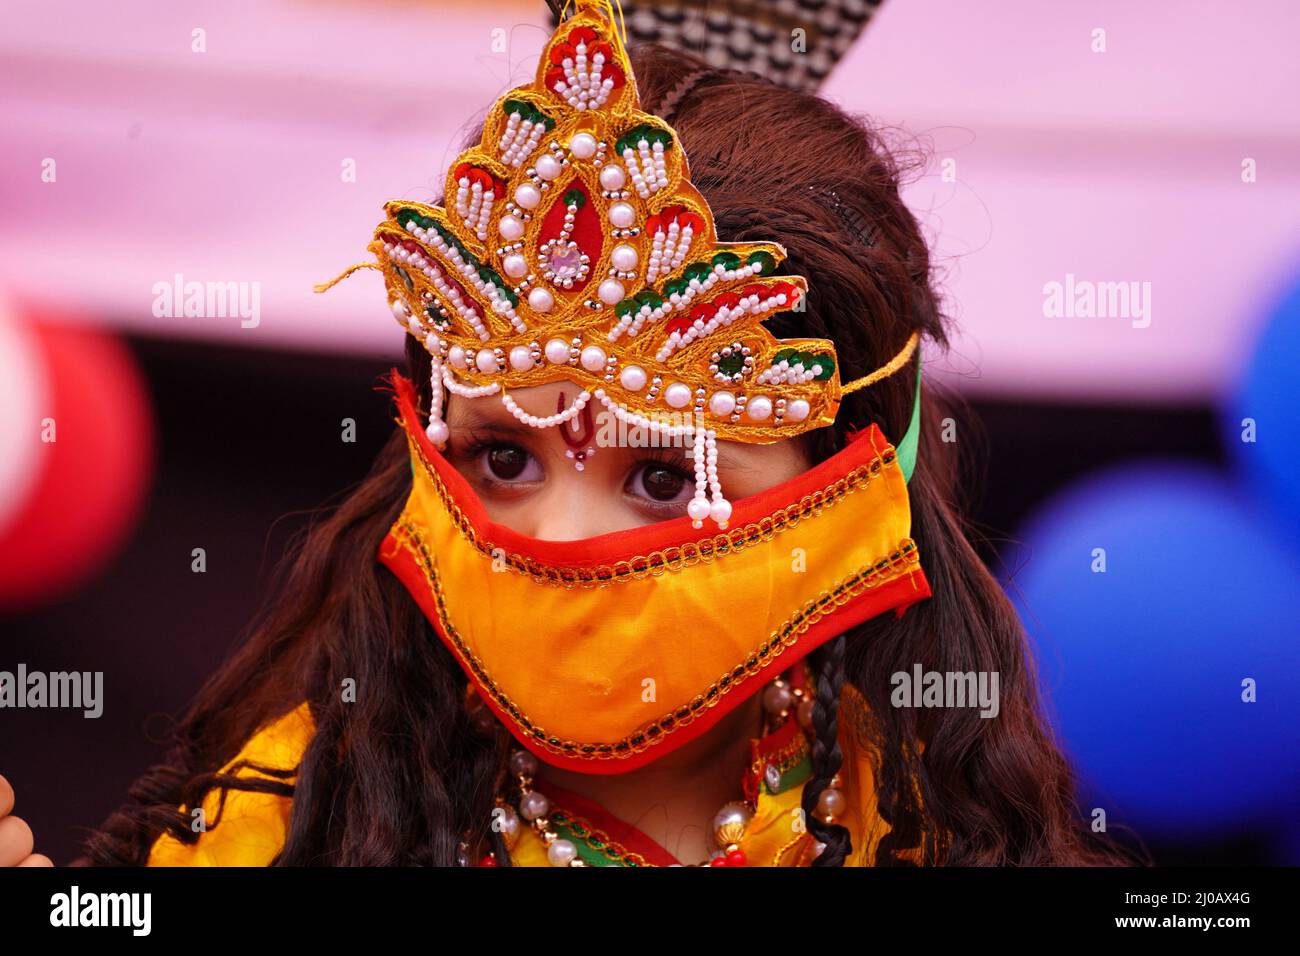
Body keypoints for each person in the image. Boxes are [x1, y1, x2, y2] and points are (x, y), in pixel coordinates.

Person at [9, 0, 1137, 868]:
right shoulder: (304, 808)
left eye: (663, 473)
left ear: (852, 484)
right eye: (504, 457)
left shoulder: (919, 825)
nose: (554, 534)